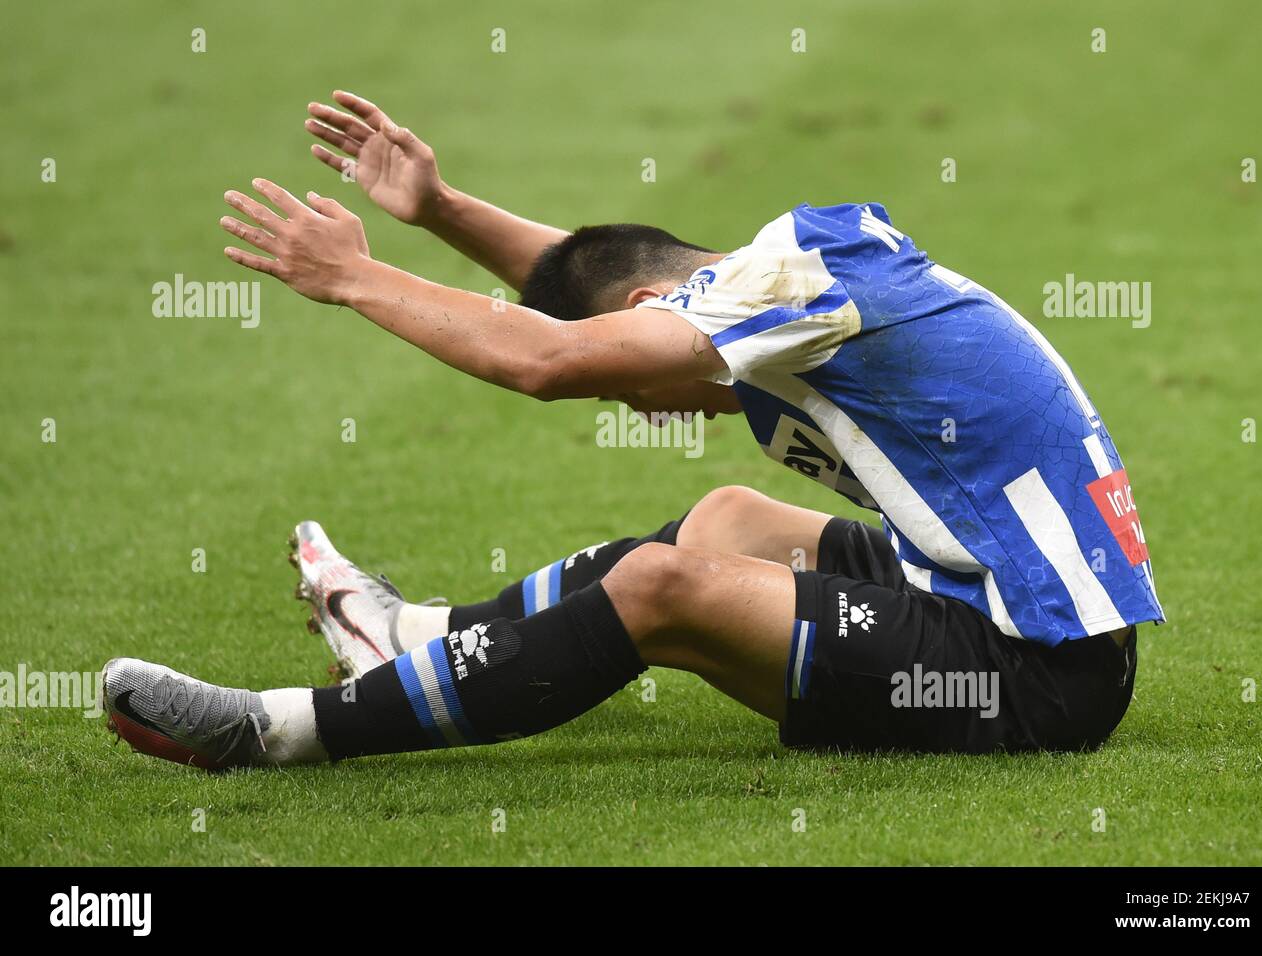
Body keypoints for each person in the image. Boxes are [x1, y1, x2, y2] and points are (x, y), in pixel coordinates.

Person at [101, 91, 1161, 770]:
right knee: (728, 519)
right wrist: (440, 210)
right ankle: (412, 634)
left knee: (660, 589)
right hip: (973, 585)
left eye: (639, 376)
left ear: (668, 309)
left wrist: (356, 274)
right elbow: (600, 281)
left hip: (1036, 671)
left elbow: (551, 356)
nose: (643, 402)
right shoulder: (785, 281)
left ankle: (281, 730)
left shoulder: (773, 298)